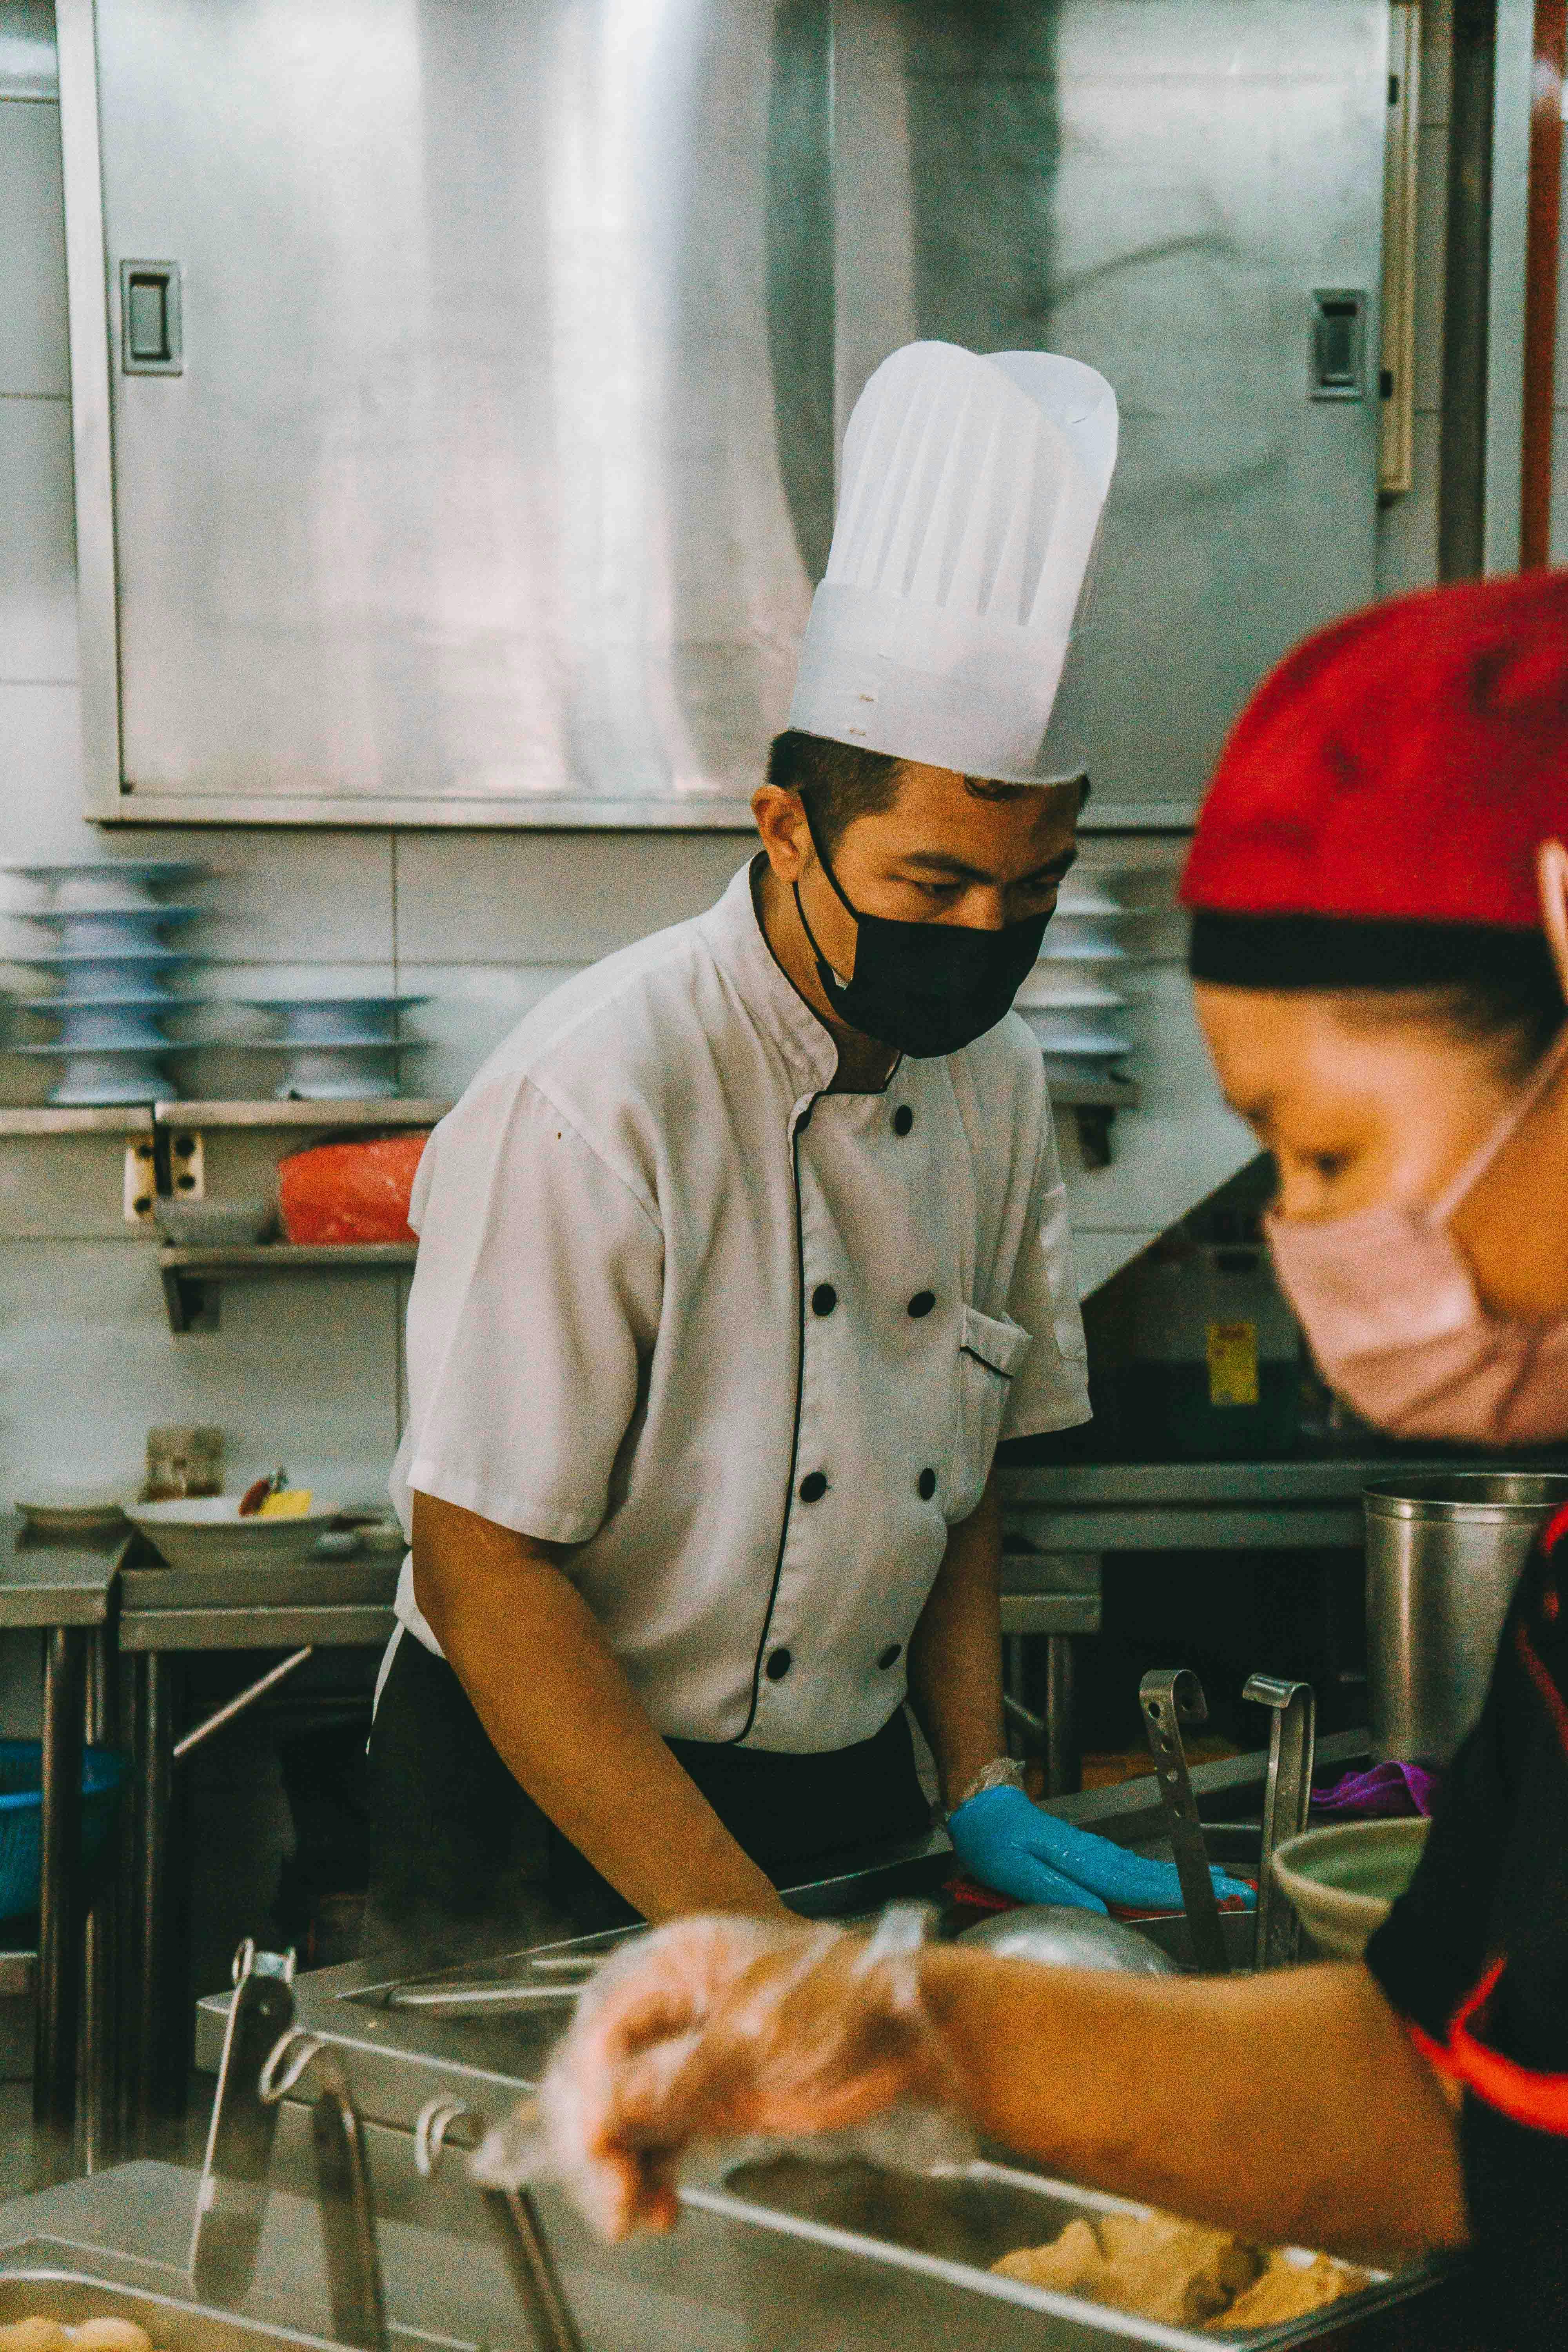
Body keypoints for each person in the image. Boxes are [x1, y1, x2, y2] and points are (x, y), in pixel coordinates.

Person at [524, 570, 1568, 2351]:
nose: (1313, 1256)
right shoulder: (598, 1081)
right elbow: (1434, 2109)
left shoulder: (987, 1089)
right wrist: (907, 2029)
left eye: (1322, 1152)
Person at [367, 340, 1208, 1950]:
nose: (988, 934)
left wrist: (976, 1774)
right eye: (935, 885)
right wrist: (746, 1947)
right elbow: (483, 1567)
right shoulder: (600, 1095)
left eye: (1033, 888)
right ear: (785, 831)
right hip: (544, 1793)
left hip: (848, 1786)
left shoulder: (997, 1078)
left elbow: (956, 1477)